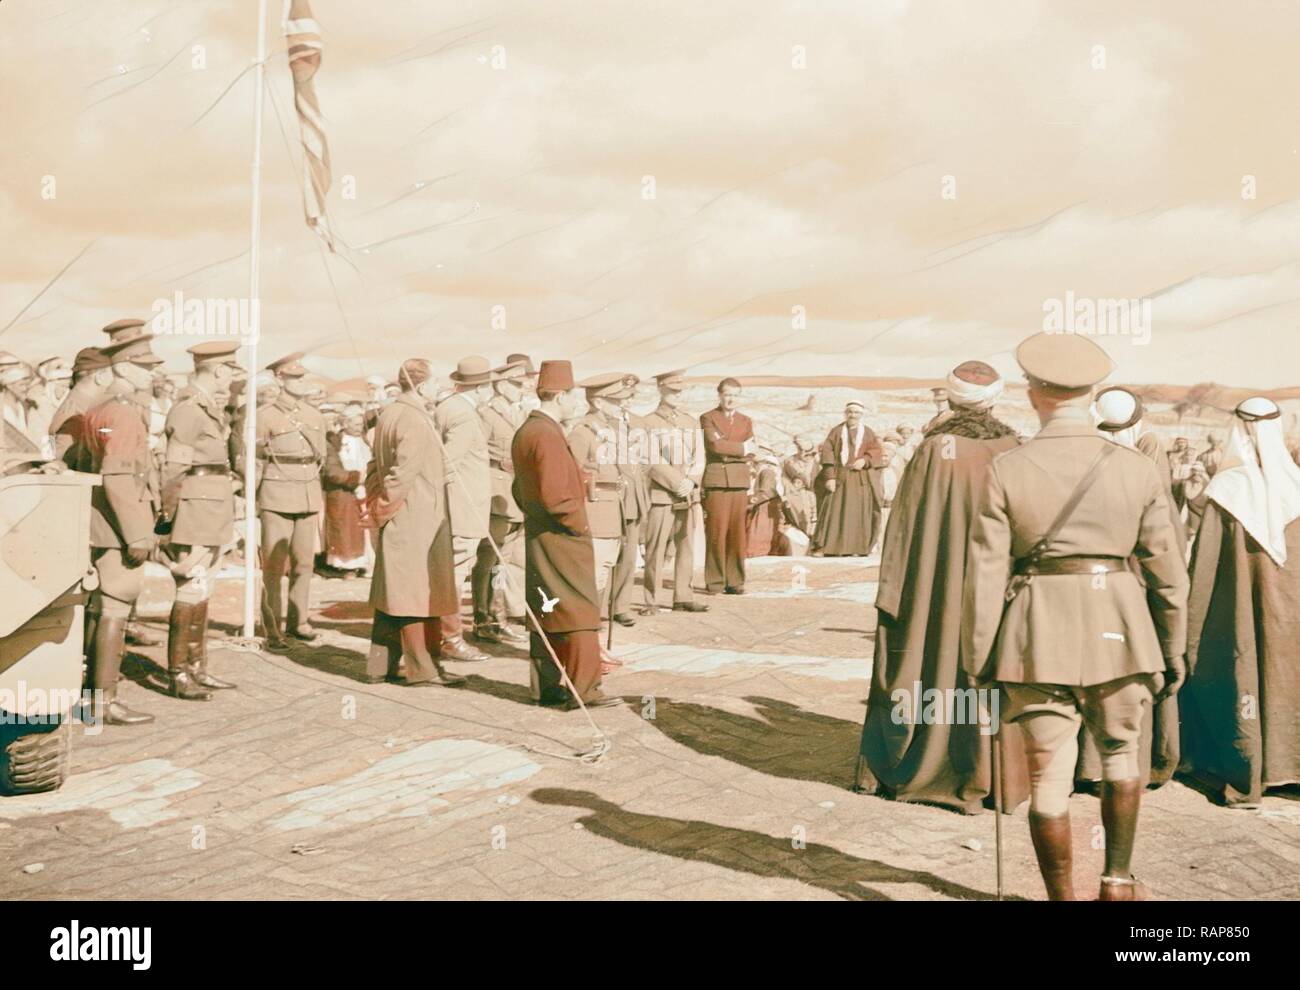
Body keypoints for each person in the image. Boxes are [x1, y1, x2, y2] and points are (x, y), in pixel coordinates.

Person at [963, 332, 1188, 901]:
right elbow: (1168, 571)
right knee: (1119, 754)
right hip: (1121, 631)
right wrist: (1173, 645)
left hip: (1036, 636)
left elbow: (985, 576)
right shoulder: (1136, 468)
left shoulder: (1007, 468)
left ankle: (1062, 899)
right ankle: (1116, 883)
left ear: (1035, 394)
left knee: (1048, 777)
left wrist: (979, 658)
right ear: (1091, 394)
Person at [857, 360, 1028, 814]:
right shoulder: (1012, 447)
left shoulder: (937, 447)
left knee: (930, 659)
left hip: (936, 586)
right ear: (993, 401)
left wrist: (896, 588)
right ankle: (988, 772)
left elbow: (907, 524)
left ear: (951, 400)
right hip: (994, 589)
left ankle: (927, 763)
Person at [1180, 396, 1300, 807]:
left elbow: (1205, 568)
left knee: (1244, 674)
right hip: (1292, 618)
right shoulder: (1295, 485)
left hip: (1242, 613)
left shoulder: (1228, 491)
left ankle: (1250, 768)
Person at [1075, 386, 1185, 791]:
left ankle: (1086, 764)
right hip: (1133, 592)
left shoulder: (1074, 467)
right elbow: (1168, 544)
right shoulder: (1144, 474)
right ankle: (1123, 765)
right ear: (1137, 423)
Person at [511, 360, 619, 709]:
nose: (576, 402)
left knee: (546, 609)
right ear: (560, 395)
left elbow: (521, 488)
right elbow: (556, 496)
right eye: (573, 395)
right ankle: (585, 689)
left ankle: (543, 687)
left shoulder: (527, 430)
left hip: (540, 535)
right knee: (578, 610)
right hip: (563, 538)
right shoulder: (547, 434)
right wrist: (579, 525)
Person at [81, 335, 166, 727]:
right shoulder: (125, 414)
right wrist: (137, 534)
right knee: (115, 607)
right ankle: (103, 701)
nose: (153, 372)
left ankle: (91, 696)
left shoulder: (99, 410)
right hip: (119, 526)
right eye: (146, 366)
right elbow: (117, 477)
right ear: (124, 368)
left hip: (102, 524)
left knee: (101, 608)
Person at [364, 359, 465, 688]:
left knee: (389, 597)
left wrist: (376, 505)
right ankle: (423, 670)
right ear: (421, 386)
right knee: (415, 597)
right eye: (435, 383)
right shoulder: (415, 419)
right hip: (415, 516)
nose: (439, 389)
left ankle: (378, 667)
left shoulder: (390, 413)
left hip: (401, 515)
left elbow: (374, 468)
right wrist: (384, 508)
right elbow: (401, 473)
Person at [159, 341, 244, 700]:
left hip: (212, 505)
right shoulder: (188, 409)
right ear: (219, 370)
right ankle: (178, 673)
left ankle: (198, 667)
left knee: (203, 587)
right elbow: (174, 468)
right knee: (190, 586)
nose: (230, 379)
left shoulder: (208, 407)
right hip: (194, 508)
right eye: (230, 372)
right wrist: (167, 517)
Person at [256, 353, 326, 652]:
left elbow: (320, 455)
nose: (301, 382)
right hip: (276, 491)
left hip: (308, 488)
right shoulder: (264, 415)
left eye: (303, 377)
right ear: (279, 379)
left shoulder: (314, 415)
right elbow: (256, 459)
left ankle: (299, 620)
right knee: (274, 563)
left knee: (304, 562)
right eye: (295, 378)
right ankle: (271, 624)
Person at [432, 356, 495, 662]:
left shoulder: (447, 407)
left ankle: (445, 637)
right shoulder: (465, 415)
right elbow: (447, 463)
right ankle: (450, 638)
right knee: (455, 575)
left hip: (455, 506)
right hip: (463, 507)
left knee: (451, 574)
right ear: (481, 387)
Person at [568, 373, 632, 659]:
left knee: (603, 576)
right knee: (593, 579)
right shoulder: (583, 432)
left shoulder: (611, 430)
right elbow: (573, 474)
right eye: (614, 401)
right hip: (595, 511)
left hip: (612, 511)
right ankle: (586, 643)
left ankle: (593, 641)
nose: (621, 406)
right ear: (597, 401)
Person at [470, 359, 529, 646]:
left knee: (503, 561)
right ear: (502, 385)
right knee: (488, 557)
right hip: (495, 489)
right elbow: (477, 451)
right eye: (517, 384)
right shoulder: (486, 413)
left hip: (513, 492)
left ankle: (498, 615)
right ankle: (481, 618)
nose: (522, 389)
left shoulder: (519, 412)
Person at [641, 369, 708, 613]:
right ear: (661, 389)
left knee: (686, 546)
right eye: (672, 391)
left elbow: (699, 457)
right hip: (662, 495)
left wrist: (691, 482)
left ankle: (683, 596)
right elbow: (650, 460)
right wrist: (677, 482)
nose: (677, 395)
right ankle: (652, 599)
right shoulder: (648, 423)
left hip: (687, 494)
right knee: (656, 549)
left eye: (680, 391)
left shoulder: (690, 422)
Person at [699, 377, 755, 594]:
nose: (730, 399)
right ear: (719, 395)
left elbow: (753, 448)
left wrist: (730, 449)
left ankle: (735, 580)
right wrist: (740, 450)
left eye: (735, 395)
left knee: (737, 534)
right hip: (717, 482)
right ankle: (715, 581)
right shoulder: (708, 417)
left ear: (739, 397)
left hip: (739, 483)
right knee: (716, 532)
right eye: (727, 394)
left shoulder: (746, 420)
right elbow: (714, 446)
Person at [812, 400, 885, 557]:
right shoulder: (836, 431)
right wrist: (830, 477)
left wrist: (864, 460)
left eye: (856, 413)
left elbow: (876, 451)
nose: (853, 415)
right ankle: (828, 548)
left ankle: (857, 549)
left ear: (861, 415)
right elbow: (828, 453)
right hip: (840, 478)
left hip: (860, 480)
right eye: (850, 412)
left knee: (857, 514)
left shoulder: (868, 432)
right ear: (846, 414)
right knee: (833, 512)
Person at [322, 404, 373, 576]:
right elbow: (333, 471)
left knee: (364, 529)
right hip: (344, 492)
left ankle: (364, 564)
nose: (360, 428)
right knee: (346, 530)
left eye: (361, 424)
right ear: (346, 424)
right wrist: (356, 478)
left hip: (364, 490)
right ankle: (346, 566)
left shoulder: (363, 440)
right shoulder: (336, 442)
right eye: (356, 425)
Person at [51, 347, 113, 469]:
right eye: (114, 375)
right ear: (100, 377)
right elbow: (62, 464)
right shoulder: (75, 412)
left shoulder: (84, 406)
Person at [745, 453, 786, 557]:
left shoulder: (766, 472)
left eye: (757, 463)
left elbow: (766, 492)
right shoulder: (769, 473)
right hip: (768, 505)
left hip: (765, 506)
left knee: (761, 531)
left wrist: (750, 502)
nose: (755, 465)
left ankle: (758, 553)